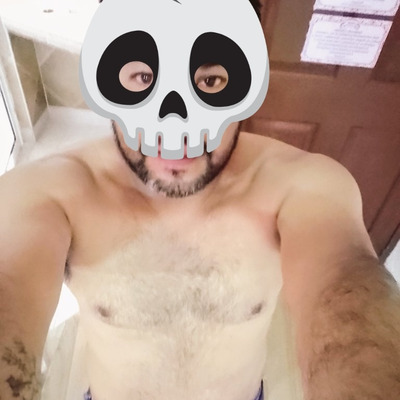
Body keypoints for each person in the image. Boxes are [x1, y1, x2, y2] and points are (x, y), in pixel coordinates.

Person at [1, 1, 400, 400]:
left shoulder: (299, 185)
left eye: (209, 81)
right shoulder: (50, 191)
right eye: (143, 77)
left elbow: (347, 294)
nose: (174, 120)